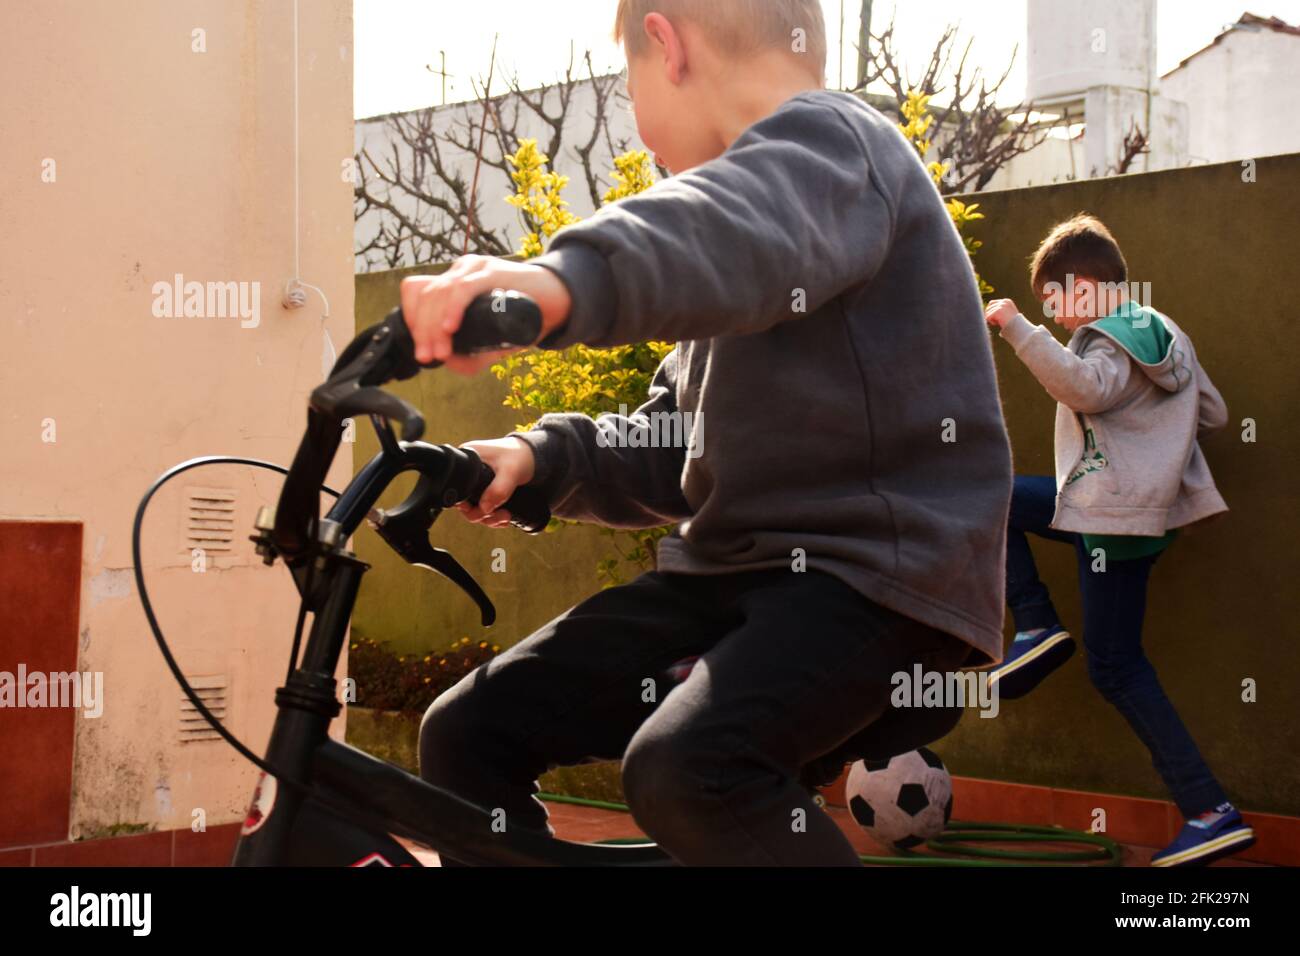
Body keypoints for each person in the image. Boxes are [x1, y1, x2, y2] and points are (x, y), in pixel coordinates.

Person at [402, 0, 1013, 866]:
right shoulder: (752, 250)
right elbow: (679, 439)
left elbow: (722, 228)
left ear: (667, 43)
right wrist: (543, 457)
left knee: (691, 768)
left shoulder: (838, 148)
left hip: (875, 579)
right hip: (735, 580)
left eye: (627, 83)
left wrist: (554, 282)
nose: (636, 123)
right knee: (468, 731)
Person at [984, 213, 1255, 866]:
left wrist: (1016, 326)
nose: (1057, 316)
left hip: (1110, 517)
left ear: (1085, 287)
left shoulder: (1105, 335)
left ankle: (1209, 810)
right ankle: (1038, 628)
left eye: (1056, 299)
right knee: (991, 500)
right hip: (1124, 512)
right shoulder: (1165, 332)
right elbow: (1211, 414)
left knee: (1116, 667)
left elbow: (1087, 387)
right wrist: (1156, 449)